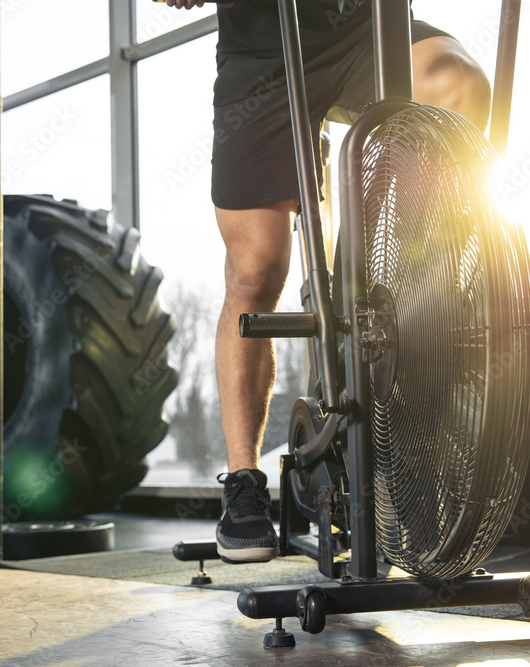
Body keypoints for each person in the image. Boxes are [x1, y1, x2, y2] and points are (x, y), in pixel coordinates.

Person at [159, 0, 491, 563]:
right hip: (263, 43)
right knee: (255, 271)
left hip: (366, 23)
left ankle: (387, 287)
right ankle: (243, 482)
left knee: (454, 83)